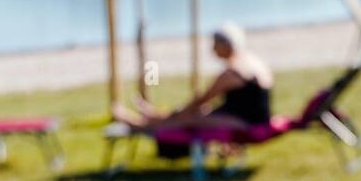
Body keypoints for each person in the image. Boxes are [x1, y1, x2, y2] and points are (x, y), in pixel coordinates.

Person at [111, 22, 273, 133]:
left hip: (247, 122)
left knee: (188, 118)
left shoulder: (232, 72)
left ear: (226, 45)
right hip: (253, 117)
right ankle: (152, 116)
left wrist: (179, 114)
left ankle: (140, 125)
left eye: (215, 44)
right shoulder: (251, 61)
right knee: (193, 113)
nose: (212, 48)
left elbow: (202, 99)